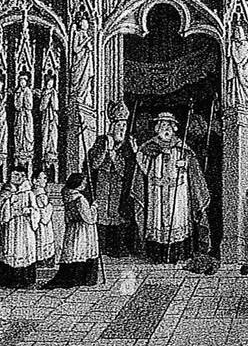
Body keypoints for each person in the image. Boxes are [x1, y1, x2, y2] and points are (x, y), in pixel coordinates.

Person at [130, 111, 211, 263]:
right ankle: (158, 255)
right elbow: (144, 169)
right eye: (162, 125)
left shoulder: (181, 147)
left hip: (178, 191)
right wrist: (138, 154)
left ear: (174, 127)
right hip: (156, 192)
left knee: (177, 220)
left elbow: (192, 165)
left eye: (168, 125)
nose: (165, 128)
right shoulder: (149, 147)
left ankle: (178, 254)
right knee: (157, 220)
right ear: (157, 128)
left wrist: (185, 164)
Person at [86, 100, 136, 255]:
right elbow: (93, 164)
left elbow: (131, 167)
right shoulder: (102, 140)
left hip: (119, 182)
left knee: (117, 212)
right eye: (119, 125)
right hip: (103, 180)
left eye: (124, 126)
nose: (121, 129)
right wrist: (105, 151)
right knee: (102, 211)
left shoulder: (128, 143)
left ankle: (117, 247)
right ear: (112, 126)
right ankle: (100, 246)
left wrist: (133, 154)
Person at [0, 169, 39, 289]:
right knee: (10, 248)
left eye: (22, 175)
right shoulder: (6, 192)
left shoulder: (29, 193)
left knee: (23, 249)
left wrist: (29, 211)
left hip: (25, 226)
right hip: (11, 225)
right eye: (15, 175)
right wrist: (8, 208)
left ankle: (25, 279)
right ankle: (8, 278)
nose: (19, 177)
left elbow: (36, 210)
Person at [46, 173, 99, 288]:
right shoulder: (80, 199)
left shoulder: (67, 194)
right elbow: (89, 218)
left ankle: (72, 278)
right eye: (83, 182)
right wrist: (94, 207)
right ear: (77, 183)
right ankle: (83, 279)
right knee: (82, 251)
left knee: (73, 251)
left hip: (72, 228)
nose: (85, 184)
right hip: (82, 229)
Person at [33, 173, 56, 268]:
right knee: (43, 240)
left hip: (37, 223)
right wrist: (50, 206)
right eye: (44, 178)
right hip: (42, 224)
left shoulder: (34, 193)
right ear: (35, 181)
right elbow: (45, 217)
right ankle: (44, 260)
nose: (46, 181)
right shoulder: (41, 195)